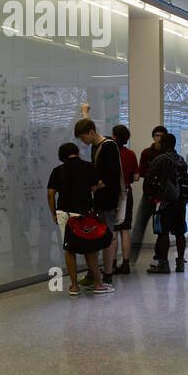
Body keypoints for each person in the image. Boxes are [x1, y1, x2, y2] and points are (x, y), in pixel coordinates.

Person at [47, 143, 114, 295]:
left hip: (64, 213)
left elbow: (50, 194)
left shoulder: (57, 171)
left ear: (62, 156)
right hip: (83, 214)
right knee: (89, 249)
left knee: (69, 249)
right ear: (77, 152)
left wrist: (53, 213)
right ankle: (98, 284)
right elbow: (95, 186)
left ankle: (74, 287)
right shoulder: (88, 167)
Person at [75, 105, 122, 286]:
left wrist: (94, 187)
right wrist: (84, 113)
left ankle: (107, 273)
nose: (82, 141)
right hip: (100, 198)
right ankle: (98, 272)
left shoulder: (108, 147)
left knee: (107, 235)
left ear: (91, 132)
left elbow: (110, 176)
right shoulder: (96, 144)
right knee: (98, 235)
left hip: (107, 198)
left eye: (83, 137)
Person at [145, 134, 188, 273]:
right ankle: (180, 263)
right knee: (179, 233)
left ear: (164, 144)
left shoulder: (161, 159)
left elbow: (148, 177)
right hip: (181, 201)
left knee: (163, 232)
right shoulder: (181, 159)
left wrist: (150, 195)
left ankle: (164, 264)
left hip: (167, 200)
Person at [126, 124, 168, 260]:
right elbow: (142, 171)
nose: (159, 138)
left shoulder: (167, 153)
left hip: (164, 194)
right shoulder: (146, 152)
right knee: (140, 224)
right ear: (153, 137)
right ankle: (131, 257)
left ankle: (159, 256)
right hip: (149, 193)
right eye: (156, 135)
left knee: (162, 227)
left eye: (161, 136)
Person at [111, 124, 138, 273]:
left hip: (112, 194)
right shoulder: (131, 154)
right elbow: (136, 176)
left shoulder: (110, 152)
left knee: (114, 230)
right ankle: (126, 263)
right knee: (125, 229)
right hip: (127, 193)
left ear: (114, 136)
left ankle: (112, 263)